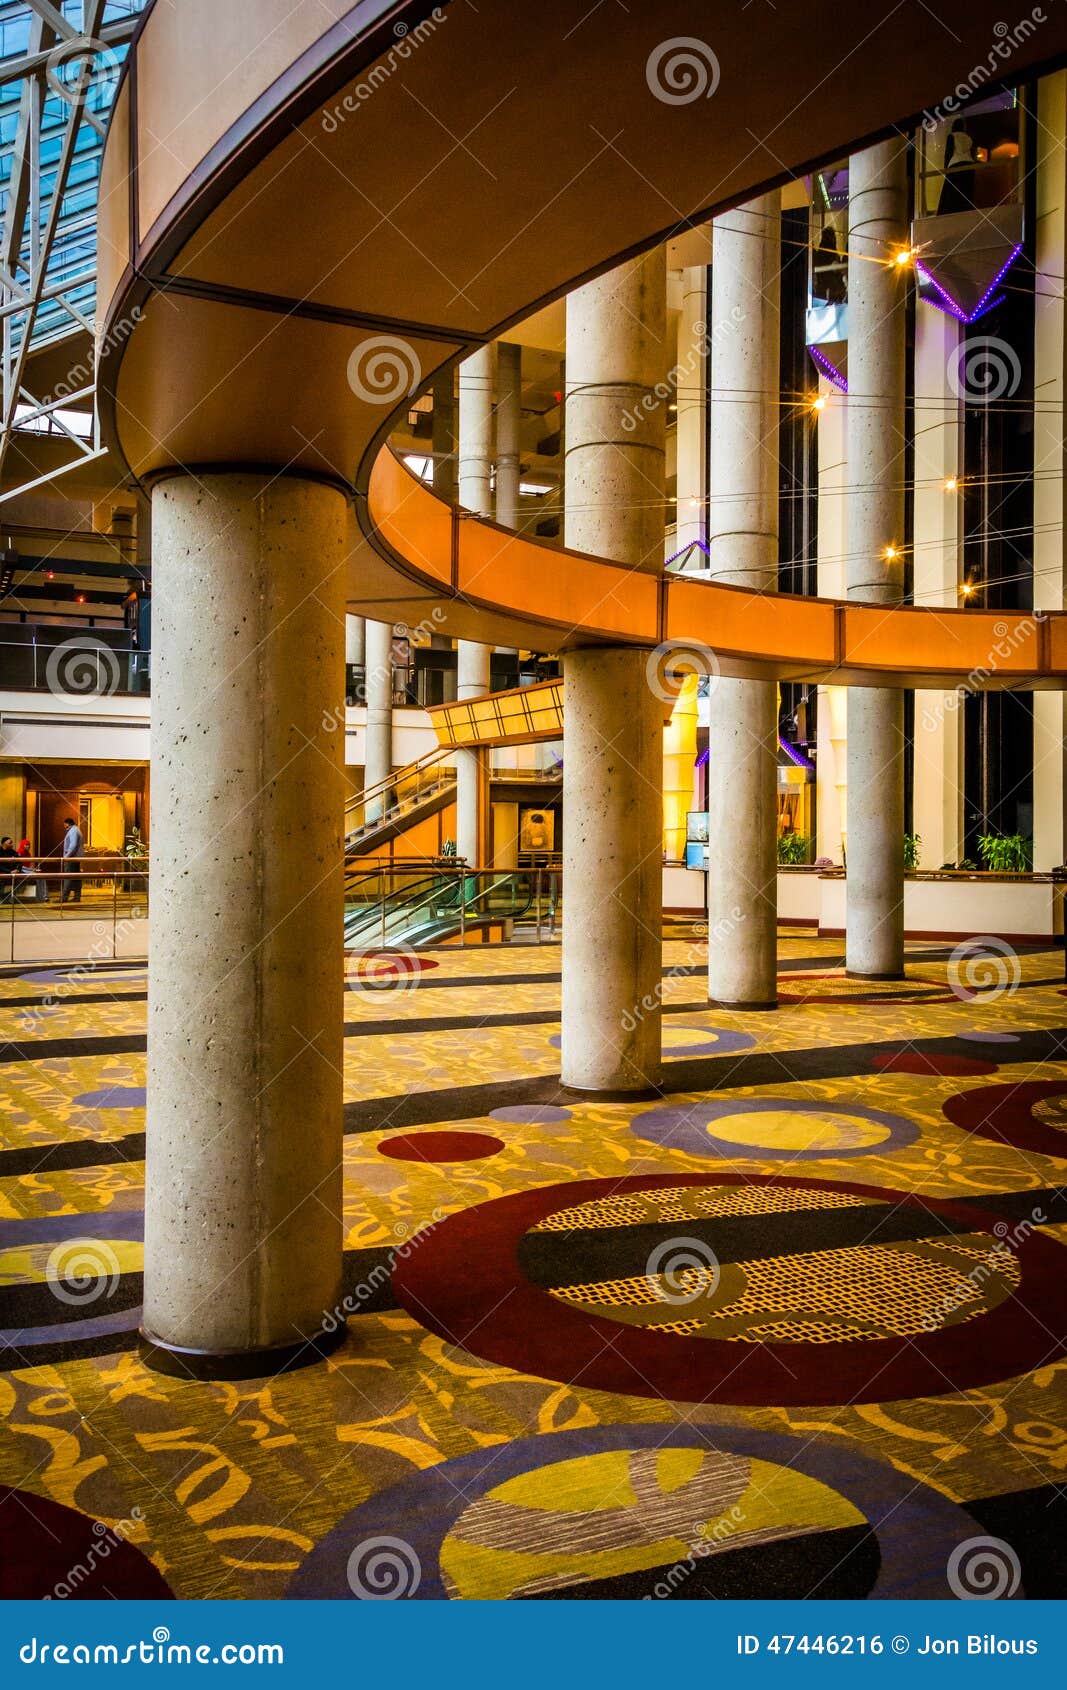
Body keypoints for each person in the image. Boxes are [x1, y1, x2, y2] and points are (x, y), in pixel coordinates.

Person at [60, 815, 84, 904]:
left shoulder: (73, 831)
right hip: (76, 858)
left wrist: (66, 857)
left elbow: (73, 845)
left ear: (67, 824)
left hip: (72, 858)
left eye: (64, 825)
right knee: (76, 878)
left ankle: (64, 897)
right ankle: (77, 896)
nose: (64, 827)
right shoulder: (76, 830)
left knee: (68, 877)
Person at [0, 836, 18, 903]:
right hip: (3, 871)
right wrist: (9, 871)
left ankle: (11, 898)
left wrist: (17, 869)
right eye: (10, 843)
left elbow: (19, 862)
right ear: (4, 844)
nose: (12, 844)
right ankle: (1, 898)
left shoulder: (12, 851)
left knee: (19, 878)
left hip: (12, 871)